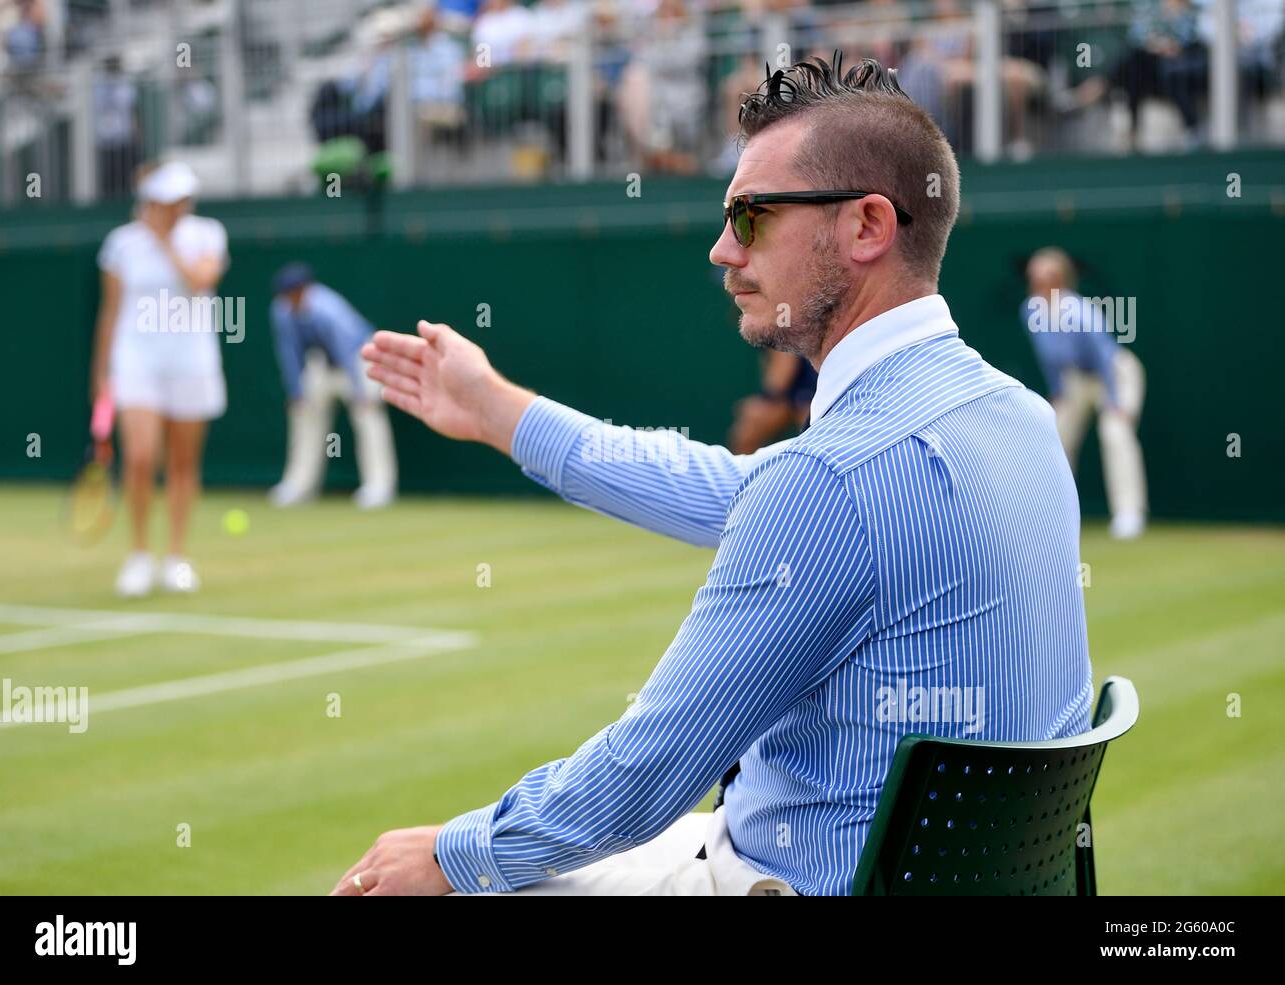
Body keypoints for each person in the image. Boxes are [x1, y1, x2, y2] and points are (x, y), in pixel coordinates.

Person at [333, 54, 1091, 896]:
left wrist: (451, 854)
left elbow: (636, 780)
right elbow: (740, 490)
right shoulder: (1018, 416)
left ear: (868, 226)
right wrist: (501, 412)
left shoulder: (832, 481)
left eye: (751, 215)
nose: (722, 249)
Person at [91, 161, 229, 597]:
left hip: (192, 363)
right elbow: (110, 313)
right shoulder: (120, 245)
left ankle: (176, 557)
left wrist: (165, 241)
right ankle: (138, 555)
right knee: (140, 456)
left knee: (183, 464)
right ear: (151, 202)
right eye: (170, 201)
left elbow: (200, 281)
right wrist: (101, 374)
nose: (180, 207)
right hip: (136, 363)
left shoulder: (208, 234)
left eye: (183, 200)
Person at [1021, 247, 1147, 540]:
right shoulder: (1029, 309)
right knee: (1057, 438)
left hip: (1114, 374)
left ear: (1060, 277)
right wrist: (1058, 391)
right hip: (1074, 381)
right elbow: (1047, 355)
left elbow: (1103, 353)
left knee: (1115, 435)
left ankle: (1129, 514)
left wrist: (1115, 400)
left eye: (1046, 273)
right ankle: (1054, 515)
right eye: (1035, 274)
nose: (1038, 280)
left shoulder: (1076, 308)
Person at [267, 263, 397, 510]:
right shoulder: (280, 311)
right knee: (304, 415)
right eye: (285, 293)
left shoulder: (328, 309)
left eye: (294, 292)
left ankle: (379, 486)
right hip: (320, 363)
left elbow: (346, 350)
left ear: (306, 289)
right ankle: (299, 485)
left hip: (359, 357)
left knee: (368, 418)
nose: (290, 298)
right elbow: (289, 353)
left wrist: (361, 391)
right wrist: (296, 393)